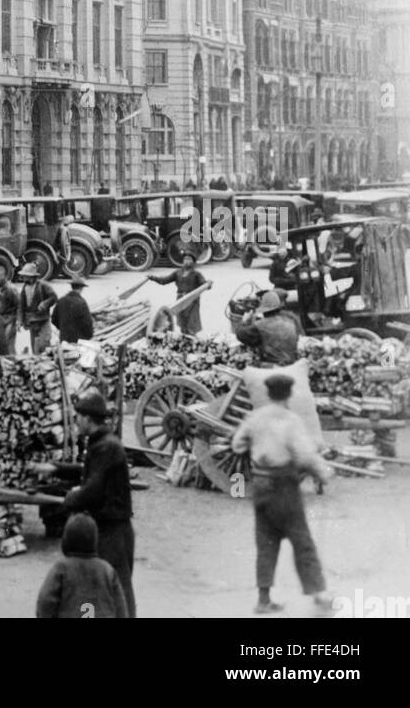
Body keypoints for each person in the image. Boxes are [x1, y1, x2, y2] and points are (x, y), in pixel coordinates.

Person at [230, 372, 334, 615]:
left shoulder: (255, 418)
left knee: (265, 543)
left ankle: (263, 600)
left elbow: (237, 444)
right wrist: (323, 471)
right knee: (302, 541)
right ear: (288, 394)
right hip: (284, 487)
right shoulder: (290, 420)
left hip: (261, 487)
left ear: (267, 393)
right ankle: (318, 594)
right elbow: (304, 454)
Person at [36, 391, 136, 617]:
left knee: (118, 587)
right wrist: (58, 468)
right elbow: (89, 471)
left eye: (78, 417)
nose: (76, 422)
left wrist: (70, 499)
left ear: (88, 419)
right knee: (104, 589)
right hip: (108, 527)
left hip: (113, 531)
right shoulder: (102, 442)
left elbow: (92, 490)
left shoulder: (105, 446)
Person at [35, 513, 129, 619]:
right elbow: (121, 607)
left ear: (66, 540)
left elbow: (45, 601)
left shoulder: (61, 568)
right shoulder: (106, 569)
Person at [234, 290, 301, 366]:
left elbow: (240, 335)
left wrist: (244, 321)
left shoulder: (261, 325)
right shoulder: (290, 321)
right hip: (292, 363)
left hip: (273, 365)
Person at [148, 251, 208, 335]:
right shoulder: (177, 273)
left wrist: (208, 284)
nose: (187, 261)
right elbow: (164, 280)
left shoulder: (197, 274)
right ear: (183, 261)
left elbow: (204, 284)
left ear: (193, 262)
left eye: (189, 259)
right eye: (185, 259)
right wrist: (153, 278)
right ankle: (184, 338)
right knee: (182, 322)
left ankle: (192, 338)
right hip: (180, 300)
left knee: (191, 323)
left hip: (192, 301)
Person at [16, 261, 58, 354]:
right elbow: (21, 306)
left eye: (26, 276)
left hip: (43, 320)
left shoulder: (43, 286)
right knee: (35, 347)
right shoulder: (24, 288)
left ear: (32, 277)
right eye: (24, 276)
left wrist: (45, 303)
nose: (24, 278)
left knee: (44, 345)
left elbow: (54, 297)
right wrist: (19, 320)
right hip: (32, 321)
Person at [0, 262, 20, 355]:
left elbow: (19, 305)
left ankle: (13, 364)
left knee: (8, 346)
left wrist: (18, 321)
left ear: (4, 276)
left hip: (9, 319)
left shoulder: (11, 289)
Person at [52, 277, 95, 344]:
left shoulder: (61, 300)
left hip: (64, 338)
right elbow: (87, 323)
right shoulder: (81, 302)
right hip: (79, 340)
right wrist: (89, 335)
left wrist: (63, 329)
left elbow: (54, 319)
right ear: (81, 288)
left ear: (72, 287)